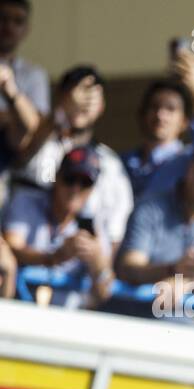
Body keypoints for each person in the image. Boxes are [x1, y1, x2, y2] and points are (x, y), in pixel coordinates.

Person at [116, 140, 194, 319]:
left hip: (187, 327)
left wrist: (187, 283)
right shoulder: (151, 207)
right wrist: (172, 270)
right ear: (190, 169)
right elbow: (129, 268)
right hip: (135, 319)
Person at [13, 66, 134, 248]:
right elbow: (23, 158)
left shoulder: (109, 164)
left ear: (102, 106)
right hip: (28, 259)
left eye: (92, 95)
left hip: (81, 268)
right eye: (76, 91)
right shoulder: (43, 147)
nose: (83, 101)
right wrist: (60, 113)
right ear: (60, 98)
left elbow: (114, 232)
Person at [3, 147, 113, 307]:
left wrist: (98, 265)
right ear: (57, 177)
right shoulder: (26, 201)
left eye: (85, 182)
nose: (76, 189)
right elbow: (11, 248)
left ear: (92, 188)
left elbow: (104, 293)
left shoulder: (92, 225)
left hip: (64, 323)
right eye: (70, 179)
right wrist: (56, 257)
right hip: (19, 312)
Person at [122, 48, 194, 199]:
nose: (160, 115)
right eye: (154, 107)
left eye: (170, 109)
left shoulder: (188, 162)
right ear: (142, 114)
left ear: (185, 122)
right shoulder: (121, 164)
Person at [0, 0, 48, 167]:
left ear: (26, 29)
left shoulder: (34, 74)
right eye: (3, 18)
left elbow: (37, 128)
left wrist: (12, 94)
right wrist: (13, 117)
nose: (9, 27)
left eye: (18, 21)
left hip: (17, 166)